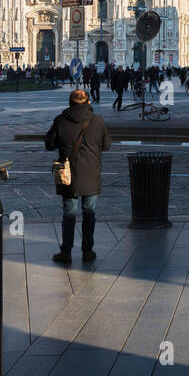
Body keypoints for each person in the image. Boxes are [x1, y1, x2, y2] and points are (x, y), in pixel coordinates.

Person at [44, 88, 111, 265]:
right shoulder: (98, 121)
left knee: (69, 213)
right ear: (88, 102)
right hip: (90, 172)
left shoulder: (60, 120)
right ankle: (87, 251)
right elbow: (106, 144)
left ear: (70, 102)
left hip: (68, 174)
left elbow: (49, 144)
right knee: (89, 212)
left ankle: (66, 252)